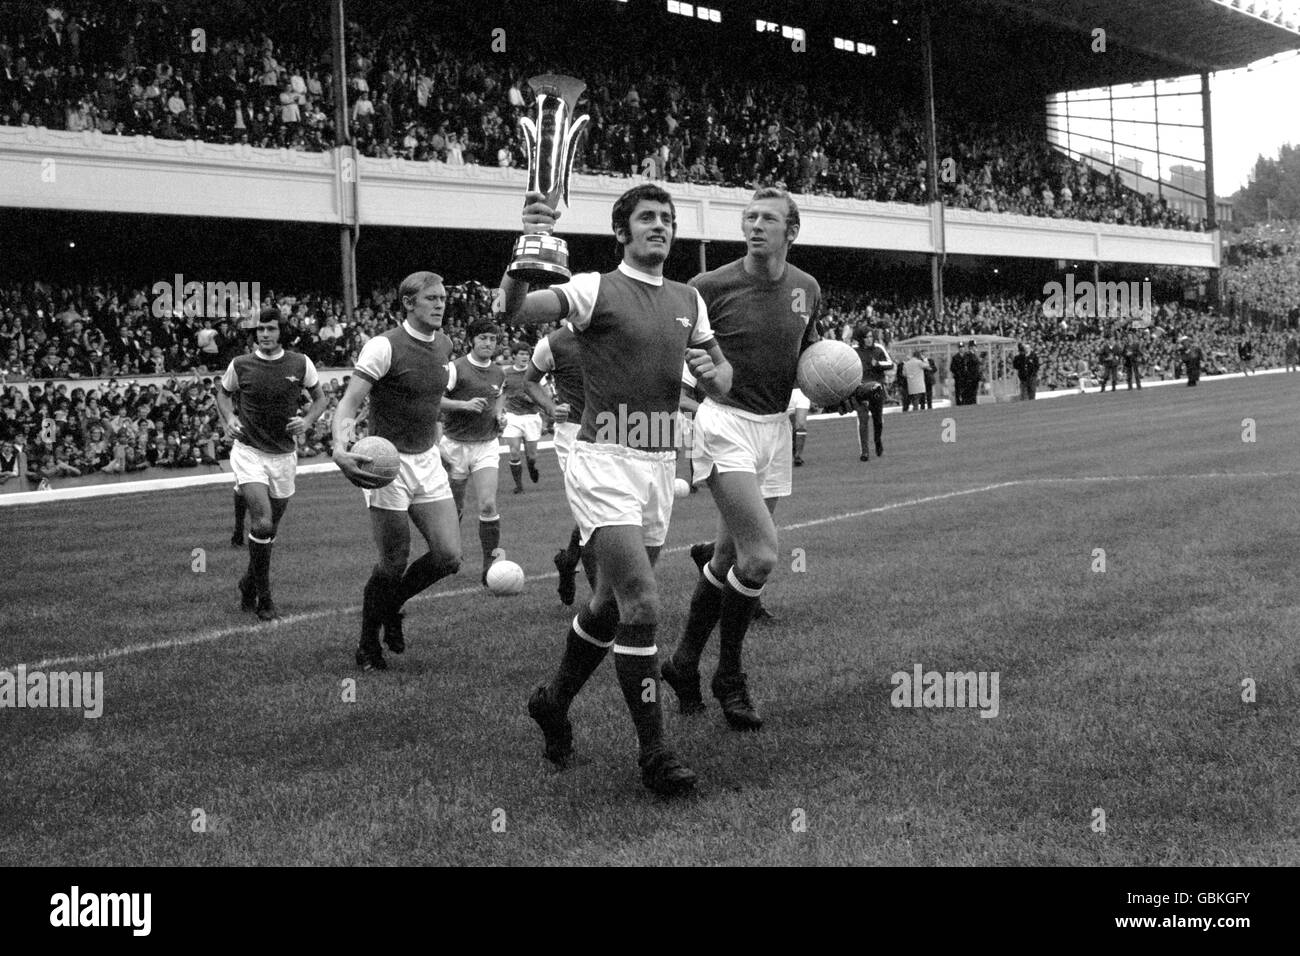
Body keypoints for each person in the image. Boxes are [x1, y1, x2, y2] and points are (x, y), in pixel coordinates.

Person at [501, 183, 732, 796]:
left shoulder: (689, 299)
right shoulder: (594, 287)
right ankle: (655, 753)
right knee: (644, 604)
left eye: (668, 218)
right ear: (623, 232)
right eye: (647, 218)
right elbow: (520, 311)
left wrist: (716, 374)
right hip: (602, 459)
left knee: (606, 608)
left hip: (657, 463)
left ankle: (552, 701)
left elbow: (721, 375)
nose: (660, 226)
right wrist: (526, 251)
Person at [660, 187, 820, 732]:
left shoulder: (807, 288)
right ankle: (729, 676)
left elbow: (808, 358)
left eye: (768, 219)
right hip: (723, 424)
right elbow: (677, 352)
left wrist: (828, 382)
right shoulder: (709, 286)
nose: (755, 226)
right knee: (762, 556)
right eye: (749, 217)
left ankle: (683, 664)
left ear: (790, 231)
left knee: (728, 561)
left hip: (774, 429)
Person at [331, 272, 464, 672]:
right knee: (393, 562)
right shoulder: (383, 346)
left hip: (427, 460)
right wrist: (340, 448)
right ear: (408, 303)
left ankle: (392, 606)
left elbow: (428, 396)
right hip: (385, 466)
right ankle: (367, 641)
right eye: (431, 298)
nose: (440, 304)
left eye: (443, 297)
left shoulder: (445, 344)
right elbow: (349, 404)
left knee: (449, 557)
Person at [215, 308, 327, 622]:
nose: (265, 334)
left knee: (270, 531)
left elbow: (320, 399)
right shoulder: (240, 365)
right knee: (262, 523)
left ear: (281, 332)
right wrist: (230, 418)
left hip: (284, 456)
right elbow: (223, 396)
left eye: (271, 329)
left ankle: (248, 583)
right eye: (261, 329)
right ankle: (265, 600)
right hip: (249, 452)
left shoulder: (300, 363)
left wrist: (306, 421)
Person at [523, 322, 593, 606]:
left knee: (598, 514)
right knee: (591, 512)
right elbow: (530, 381)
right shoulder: (552, 343)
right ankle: (603, 602)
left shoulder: (615, 330)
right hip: (572, 435)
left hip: (614, 429)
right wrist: (551, 408)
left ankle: (568, 560)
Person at [439, 318, 507, 586]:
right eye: (483, 338)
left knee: (488, 504)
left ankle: (489, 564)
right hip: (454, 445)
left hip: (486, 445)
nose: (488, 343)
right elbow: (437, 400)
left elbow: (500, 395)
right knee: (454, 508)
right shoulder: (456, 369)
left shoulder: (498, 372)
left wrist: (500, 414)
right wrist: (464, 405)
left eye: (492, 339)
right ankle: (450, 556)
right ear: (471, 341)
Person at [501, 344, 543, 494]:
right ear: (514, 356)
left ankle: (531, 466)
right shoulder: (506, 374)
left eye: (527, 354)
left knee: (532, 455)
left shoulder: (535, 373)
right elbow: (501, 394)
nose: (525, 357)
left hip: (531, 416)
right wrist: (500, 412)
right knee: (514, 452)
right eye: (522, 354)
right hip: (513, 417)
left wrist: (533, 398)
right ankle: (519, 486)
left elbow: (545, 395)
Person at [850, 327, 890, 459]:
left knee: (878, 420)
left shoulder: (878, 349)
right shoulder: (853, 351)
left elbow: (890, 364)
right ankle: (864, 452)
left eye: (871, 337)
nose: (869, 339)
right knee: (862, 420)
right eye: (866, 337)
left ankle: (878, 442)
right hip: (860, 389)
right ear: (861, 338)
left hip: (876, 388)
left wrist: (877, 364)